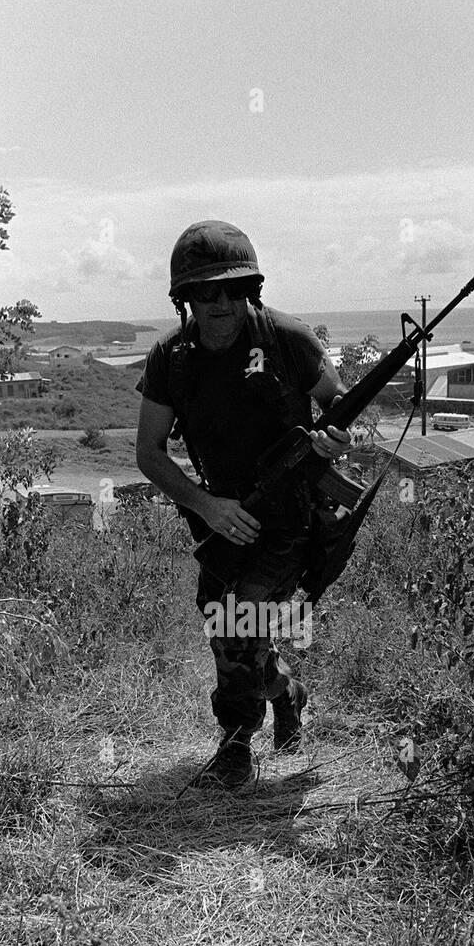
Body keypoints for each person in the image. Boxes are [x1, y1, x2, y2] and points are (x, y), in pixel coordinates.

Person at [135, 219, 350, 789]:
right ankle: (287, 691)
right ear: (186, 299)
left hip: (289, 517)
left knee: (240, 619)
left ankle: (235, 744)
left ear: (249, 291)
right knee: (228, 626)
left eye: (232, 289)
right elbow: (149, 455)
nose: (220, 302)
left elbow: (339, 407)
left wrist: (335, 436)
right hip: (222, 519)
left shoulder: (287, 339)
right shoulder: (171, 359)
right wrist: (206, 506)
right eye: (205, 291)